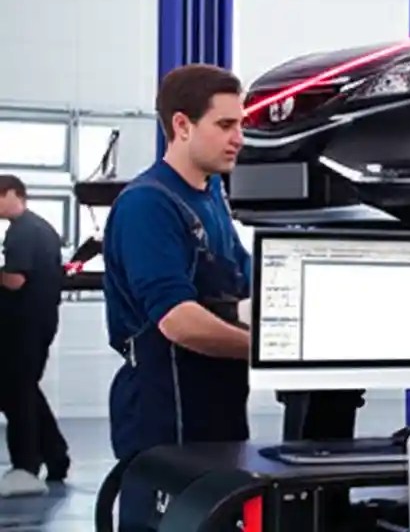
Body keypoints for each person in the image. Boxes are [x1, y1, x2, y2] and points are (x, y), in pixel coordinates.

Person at [102, 64, 253, 529]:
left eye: (241, 125)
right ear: (182, 126)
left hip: (218, 404)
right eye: (225, 125)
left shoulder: (211, 197)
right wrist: (267, 350)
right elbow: (178, 321)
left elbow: (244, 284)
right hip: (164, 411)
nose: (239, 138)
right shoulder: (148, 205)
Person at [0, 175, 70, 497]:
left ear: (14, 194)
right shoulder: (39, 228)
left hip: (23, 326)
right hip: (36, 323)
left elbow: (15, 280)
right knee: (24, 391)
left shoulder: (23, 231)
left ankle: (26, 465)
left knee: (17, 394)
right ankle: (55, 456)